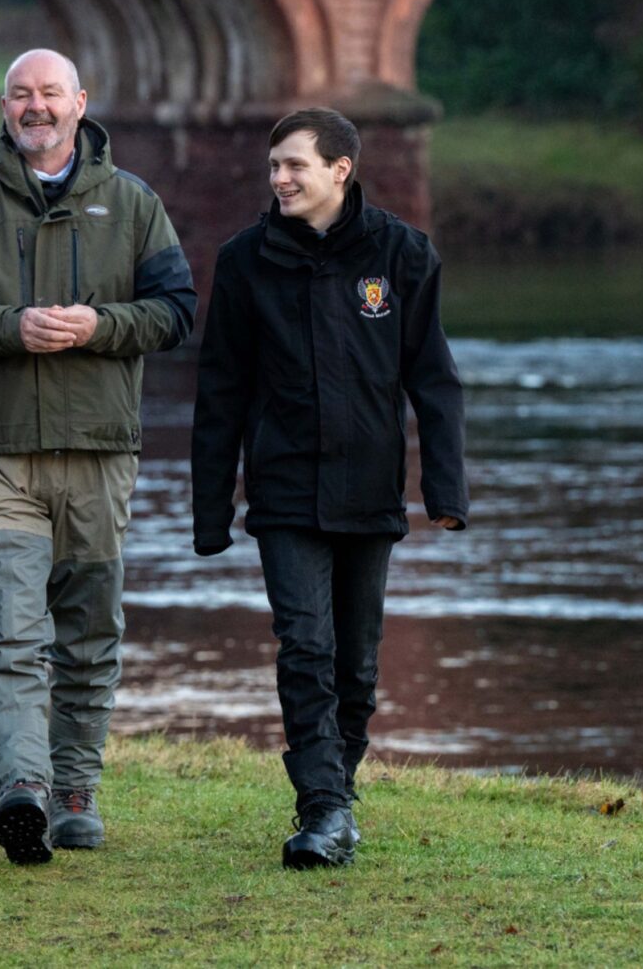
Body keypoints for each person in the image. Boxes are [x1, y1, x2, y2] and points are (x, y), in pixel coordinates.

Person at [0, 48, 196, 864]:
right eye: (21, 95)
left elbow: (176, 310)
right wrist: (9, 327)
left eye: (50, 94)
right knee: (9, 633)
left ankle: (75, 790)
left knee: (89, 635)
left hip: (102, 453)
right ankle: (23, 788)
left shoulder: (134, 203)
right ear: (5, 108)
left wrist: (102, 326)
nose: (36, 107)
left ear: (80, 103)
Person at [190, 106, 467, 871]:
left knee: (358, 663)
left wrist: (444, 490)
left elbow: (434, 380)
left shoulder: (404, 255)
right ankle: (321, 806)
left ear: (340, 170)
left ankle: (336, 796)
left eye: (294, 166)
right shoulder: (246, 262)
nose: (279, 178)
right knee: (304, 645)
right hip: (282, 491)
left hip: (371, 490)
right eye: (274, 165)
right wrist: (212, 511)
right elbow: (221, 394)